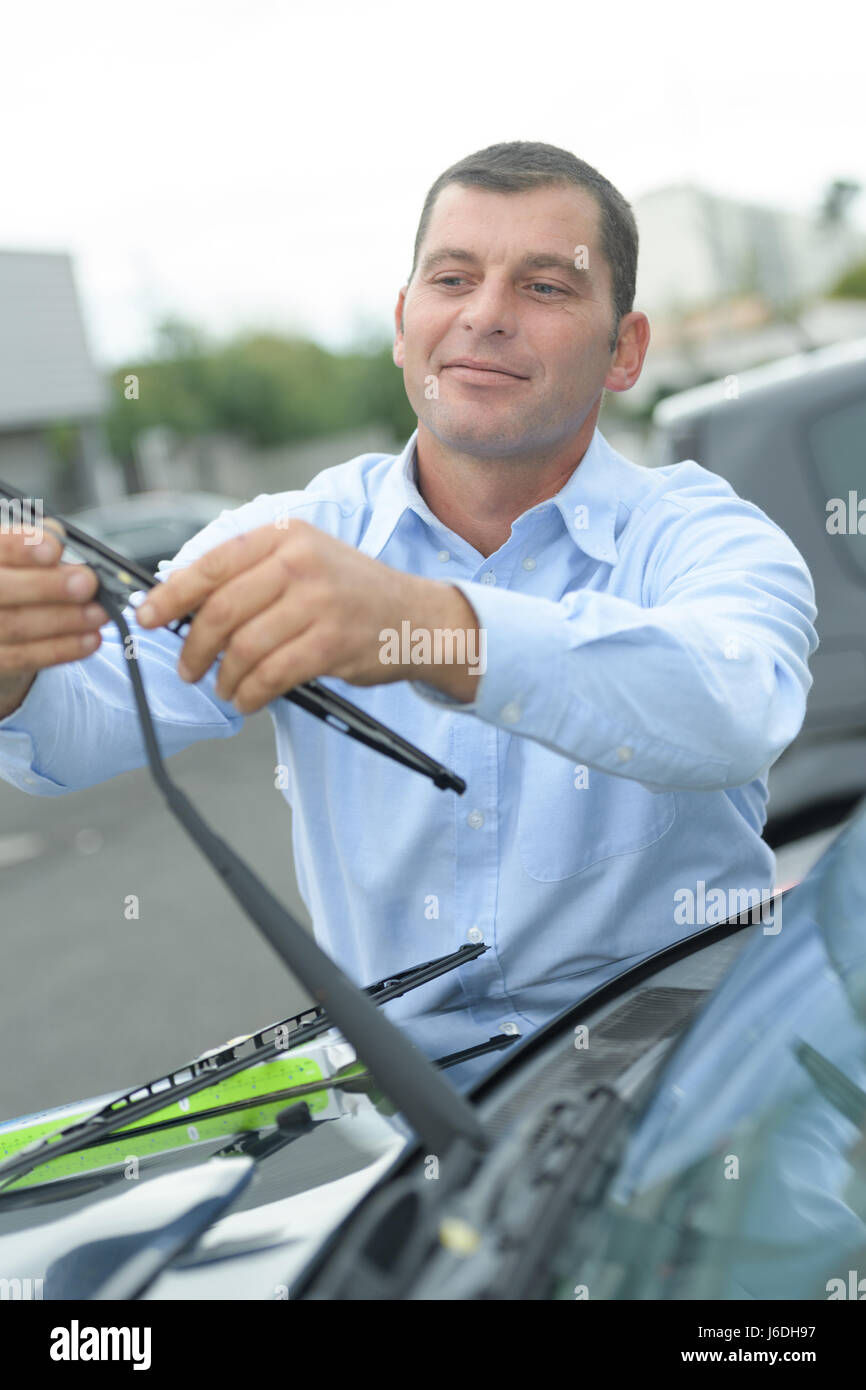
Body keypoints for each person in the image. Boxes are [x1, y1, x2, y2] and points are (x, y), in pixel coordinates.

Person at [0, 141, 817, 1089]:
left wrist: (426, 627)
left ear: (624, 350)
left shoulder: (705, 536)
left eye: (545, 287)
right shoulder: (291, 536)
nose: (485, 316)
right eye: (452, 278)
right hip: (409, 1132)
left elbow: (734, 707)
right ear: (402, 323)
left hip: (690, 1096)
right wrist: (20, 665)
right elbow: (86, 724)